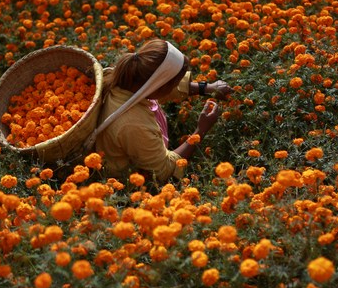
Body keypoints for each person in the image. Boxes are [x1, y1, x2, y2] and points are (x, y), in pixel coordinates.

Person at [88, 39, 233, 183]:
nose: (175, 86)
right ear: (159, 85)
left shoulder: (128, 78)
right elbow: (163, 170)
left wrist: (206, 88)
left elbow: (164, 85)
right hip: (131, 181)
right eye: (173, 83)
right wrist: (200, 131)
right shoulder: (133, 124)